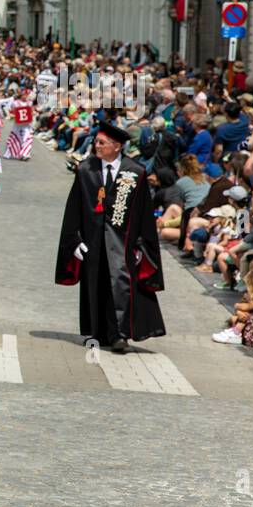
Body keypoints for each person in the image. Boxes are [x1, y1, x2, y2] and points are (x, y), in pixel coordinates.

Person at [55, 121, 166, 351]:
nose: (96, 146)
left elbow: (144, 213)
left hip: (122, 242)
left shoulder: (135, 172)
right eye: (96, 142)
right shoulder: (86, 170)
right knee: (94, 284)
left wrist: (141, 246)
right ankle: (96, 332)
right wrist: (74, 240)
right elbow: (74, 207)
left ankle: (120, 334)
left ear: (116, 146)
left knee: (120, 284)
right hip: (92, 240)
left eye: (101, 143)